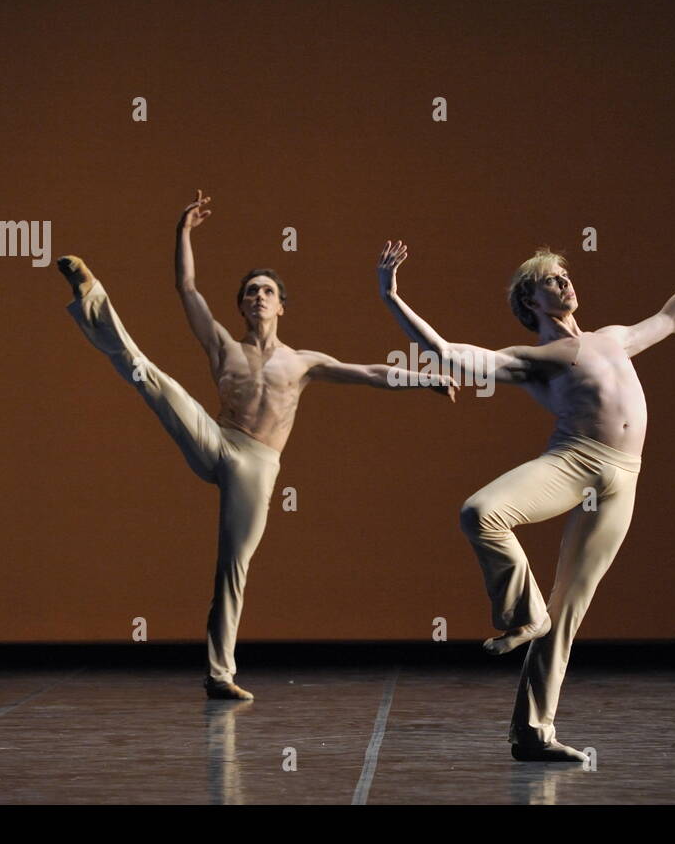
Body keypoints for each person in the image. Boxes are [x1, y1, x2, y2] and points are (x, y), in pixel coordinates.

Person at [58, 193, 455, 700]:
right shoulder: (224, 344)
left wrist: (423, 380)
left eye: (266, 291)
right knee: (148, 375)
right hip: (215, 438)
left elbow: (372, 373)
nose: (258, 297)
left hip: (257, 467)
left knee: (232, 567)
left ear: (281, 305)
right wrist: (183, 231)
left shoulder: (303, 361)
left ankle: (219, 674)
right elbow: (186, 288)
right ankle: (91, 294)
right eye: (249, 292)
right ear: (242, 305)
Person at [377, 238, 675, 760]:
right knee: (481, 512)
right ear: (530, 301)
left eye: (565, 275)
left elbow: (671, 318)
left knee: (570, 610)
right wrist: (392, 297)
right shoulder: (532, 359)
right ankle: (521, 612)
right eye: (551, 280)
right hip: (576, 461)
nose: (565, 283)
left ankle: (534, 734)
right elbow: (448, 353)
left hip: (625, 478)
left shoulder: (612, 338)